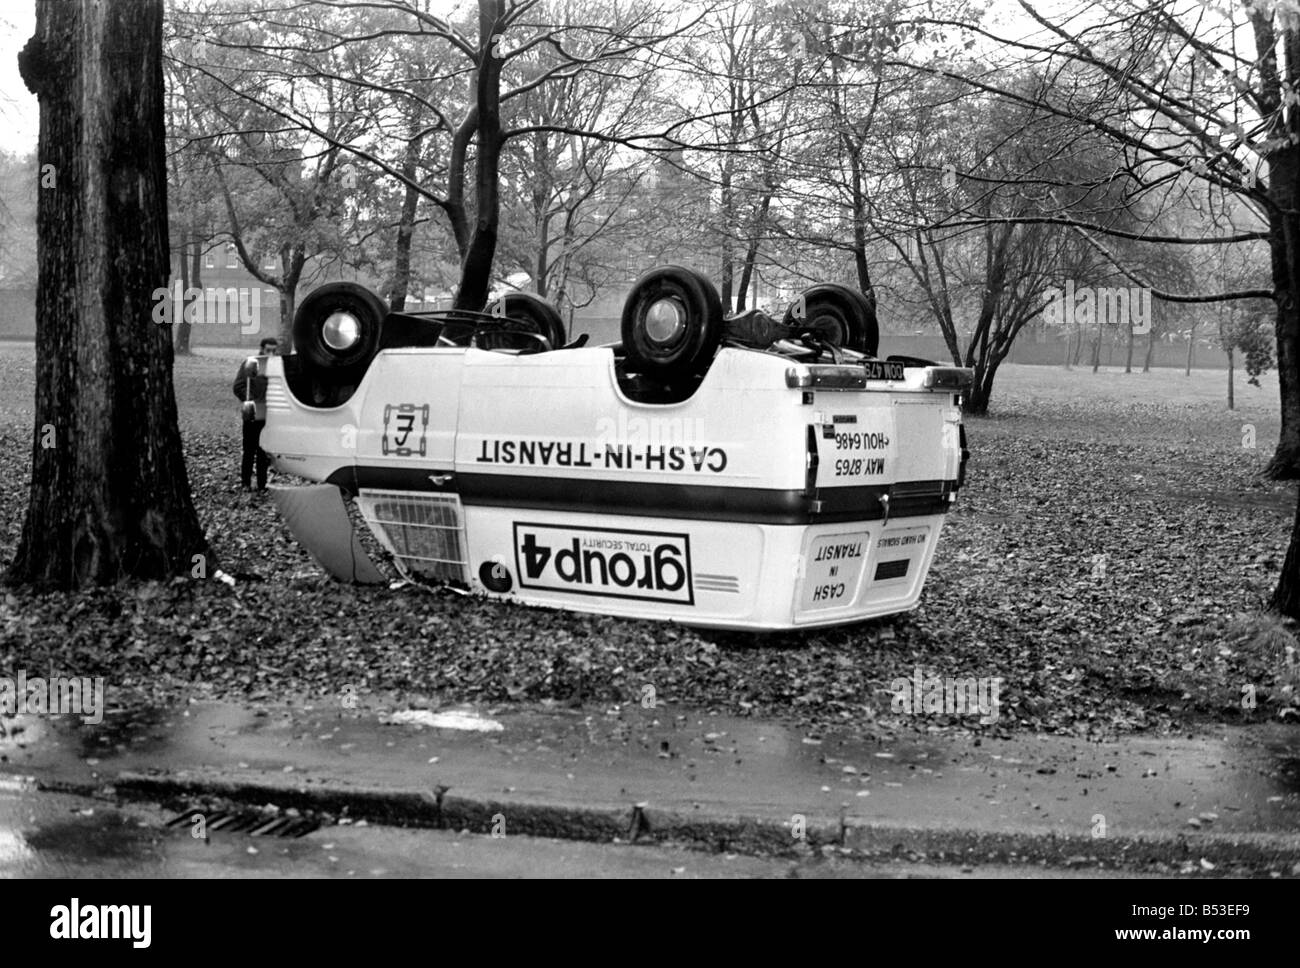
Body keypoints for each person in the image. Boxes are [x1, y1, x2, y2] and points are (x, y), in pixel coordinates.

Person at [232, 337, 279, 491]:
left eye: (274, 350)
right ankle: (245, 482)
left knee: (263, 452)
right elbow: (238, 386)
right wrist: (249, 400)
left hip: (269, 416)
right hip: (252, 415)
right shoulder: (250, 364)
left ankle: (262, 484)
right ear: (261, 349)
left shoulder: (277, 366)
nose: (271, 353)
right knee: (249, 450)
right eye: (268, 350)